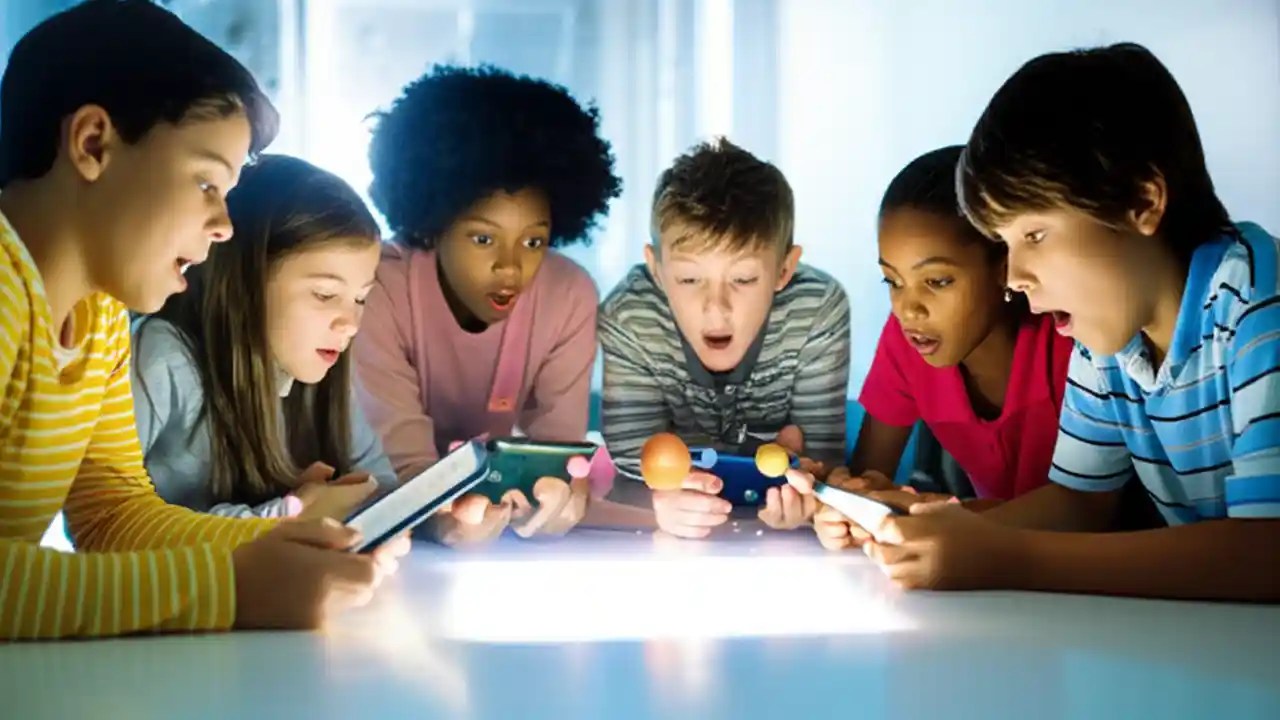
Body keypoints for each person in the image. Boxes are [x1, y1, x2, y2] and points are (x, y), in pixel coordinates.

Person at [0, 0, 404, 639]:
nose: (223, 227)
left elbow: (114, 518)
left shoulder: (100, 317)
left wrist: (287, 542)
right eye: (208, 184)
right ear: (93, 144)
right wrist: (231, 589)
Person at [863, 43, 1280, 601]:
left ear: (1141, 201)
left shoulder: (1257, 302)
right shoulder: (1106, 337)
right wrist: (932, 526)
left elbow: (1266, 553)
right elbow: (1079, 501)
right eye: (1005, 245)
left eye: (1033, 235)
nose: (1013, 277)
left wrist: (1007, 557)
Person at [355, 65, 623, 544]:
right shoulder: (376, 286)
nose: (511, 268)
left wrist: (558, 497)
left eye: (534, 242)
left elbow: (560, 456)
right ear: (434, 226)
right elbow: (400, 458)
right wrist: (443, 519)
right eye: (483, 238)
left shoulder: (569, 295)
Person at [806, 145, 1072, 551]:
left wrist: (933, 513)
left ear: (1005, 265)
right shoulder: (906, 340)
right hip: (991, 579)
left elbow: (1087, 513)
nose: (908, 308)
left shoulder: (1067, 342)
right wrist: (848, 507)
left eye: (938, 281)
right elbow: (869, 477)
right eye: (892, 281)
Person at [599, 138, 851, 539]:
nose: (715, 307)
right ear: (657, 270)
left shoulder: (816, 309)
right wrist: (661, 499)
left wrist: (804, 493)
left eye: (744, 279)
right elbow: (634, 457)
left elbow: (820, 459)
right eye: (689, 278)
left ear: (784, 270)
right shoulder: (630, 315)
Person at [132, 154, 394, 523]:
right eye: (323, 295)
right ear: (246, 283)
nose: (350, 323)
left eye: (361, 298)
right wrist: (287, 516)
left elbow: (379, 485)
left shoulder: (320, 369)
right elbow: (108, 525)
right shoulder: (163, 358)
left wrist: (443, 522)